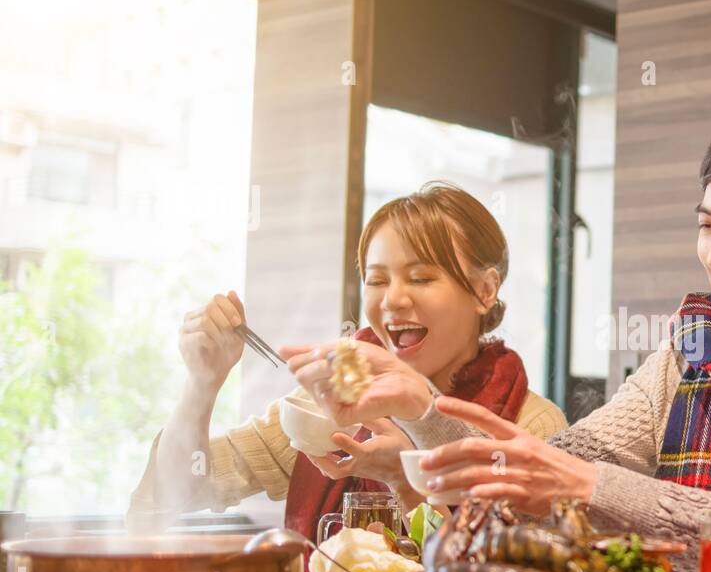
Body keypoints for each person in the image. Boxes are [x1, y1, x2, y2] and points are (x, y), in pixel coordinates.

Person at [284, 98, 711, 572]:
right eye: (708, 225)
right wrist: (419, 407)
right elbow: (546, 475)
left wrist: (587, 487)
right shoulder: (688, 352)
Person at [128, 183, 566, 537]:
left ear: (485, 291)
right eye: (376, 280)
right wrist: (202, 383)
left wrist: (403, 480)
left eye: (421, 277)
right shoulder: (325, 403)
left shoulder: (532, 427)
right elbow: (176, 491)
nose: (392, 299)